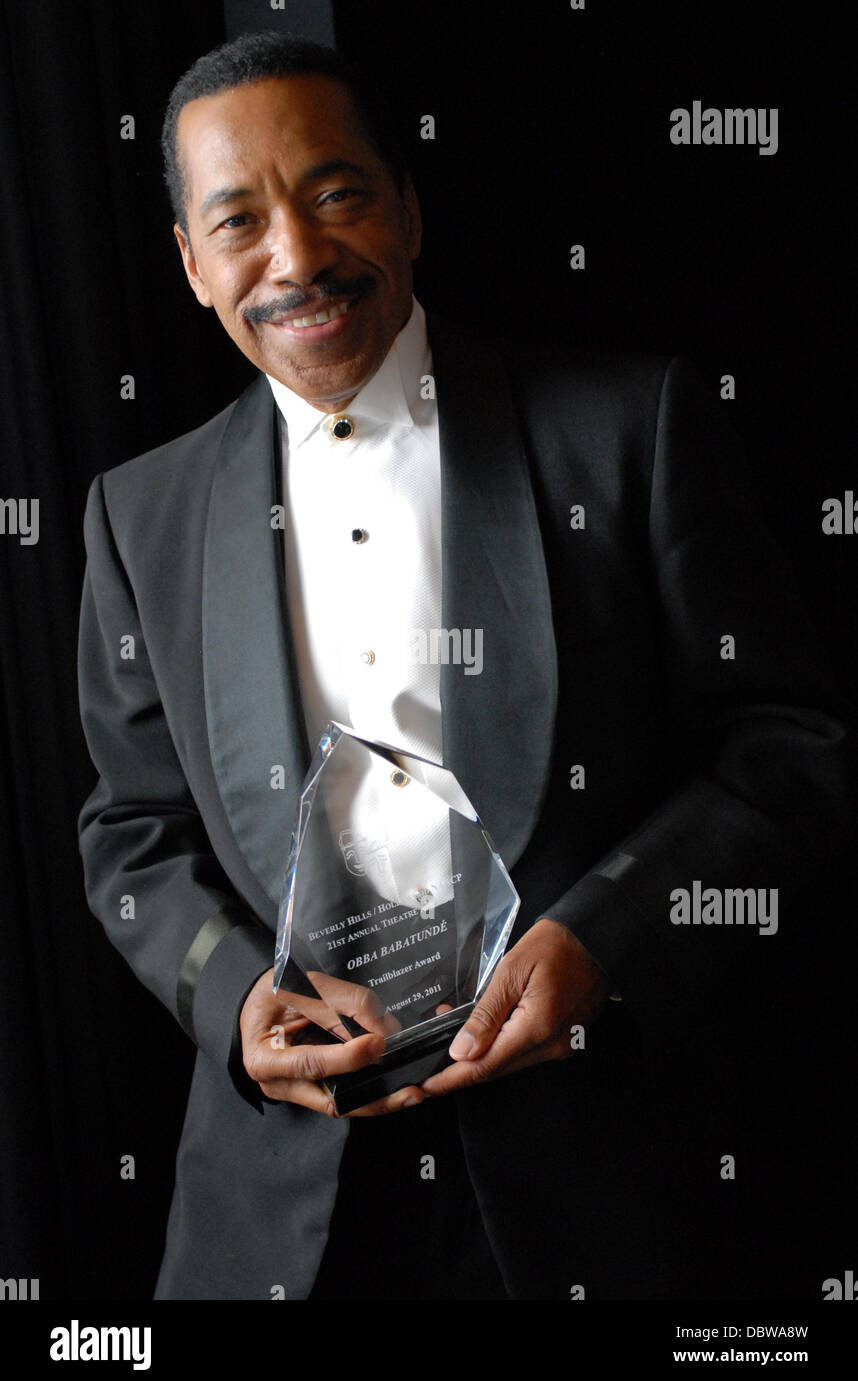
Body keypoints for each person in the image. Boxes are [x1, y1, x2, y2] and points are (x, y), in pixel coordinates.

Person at [77, 32, 852, 1300]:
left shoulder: (626, 429)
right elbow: (129, 833)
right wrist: (231, 1008)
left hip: (599, 1192)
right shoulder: (133, 514)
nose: (298, 257)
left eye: (337, 193)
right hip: (273, 1220)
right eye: (239, 223)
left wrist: (608, 937)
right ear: (190, 265)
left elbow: (790, 743)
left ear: (409, 206)